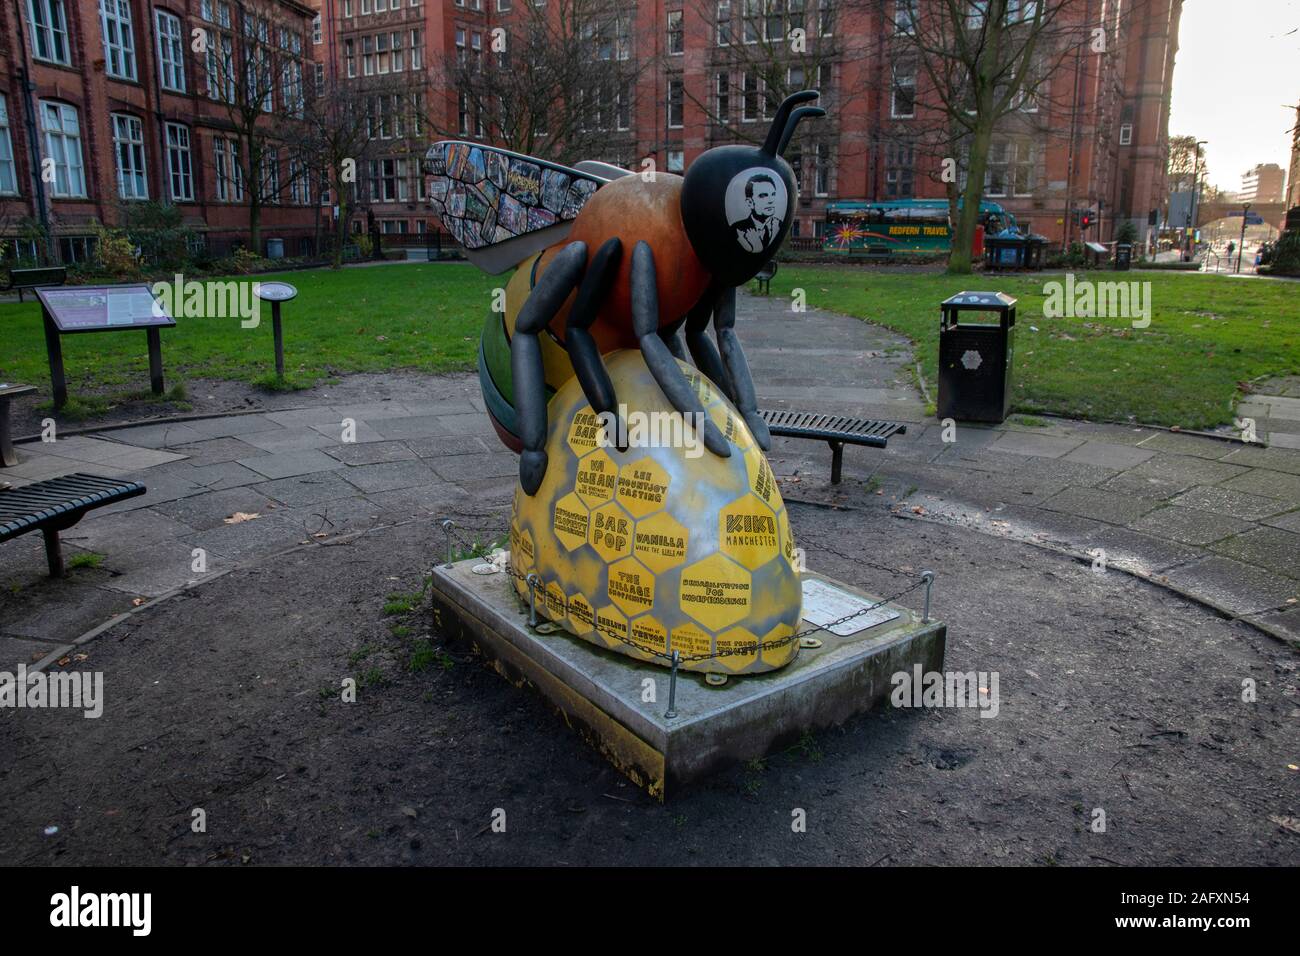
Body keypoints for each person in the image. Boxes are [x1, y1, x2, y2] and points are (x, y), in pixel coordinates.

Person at [731, 173, 783, 254]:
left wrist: (758, 247)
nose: (771, 200)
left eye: (773, 194)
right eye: (763, 196)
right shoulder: (738, 229)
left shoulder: (780, 224)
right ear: (750, 202)